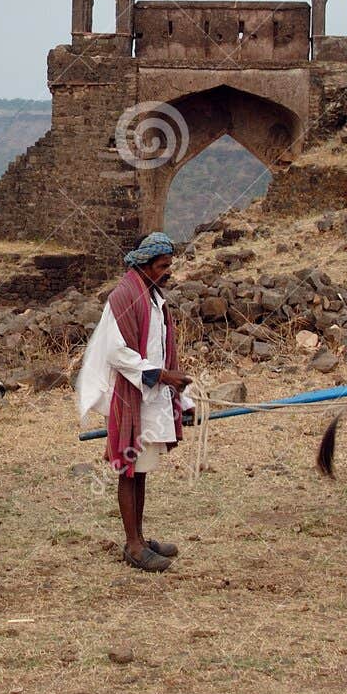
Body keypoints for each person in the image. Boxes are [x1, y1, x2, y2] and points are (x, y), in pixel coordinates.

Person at [76, 232, 194, 572]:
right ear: (144, 265)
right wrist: (161, 375)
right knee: (129, 472)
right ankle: (132, 545)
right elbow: (116, 353)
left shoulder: (154, 296)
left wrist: (178, 395)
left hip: (152, 396)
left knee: (141, 471)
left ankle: (140, 537)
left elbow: (160, 346)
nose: (168, 271)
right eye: (162, 266)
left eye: (169, 265)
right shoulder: (124, 297)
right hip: (132, 397)